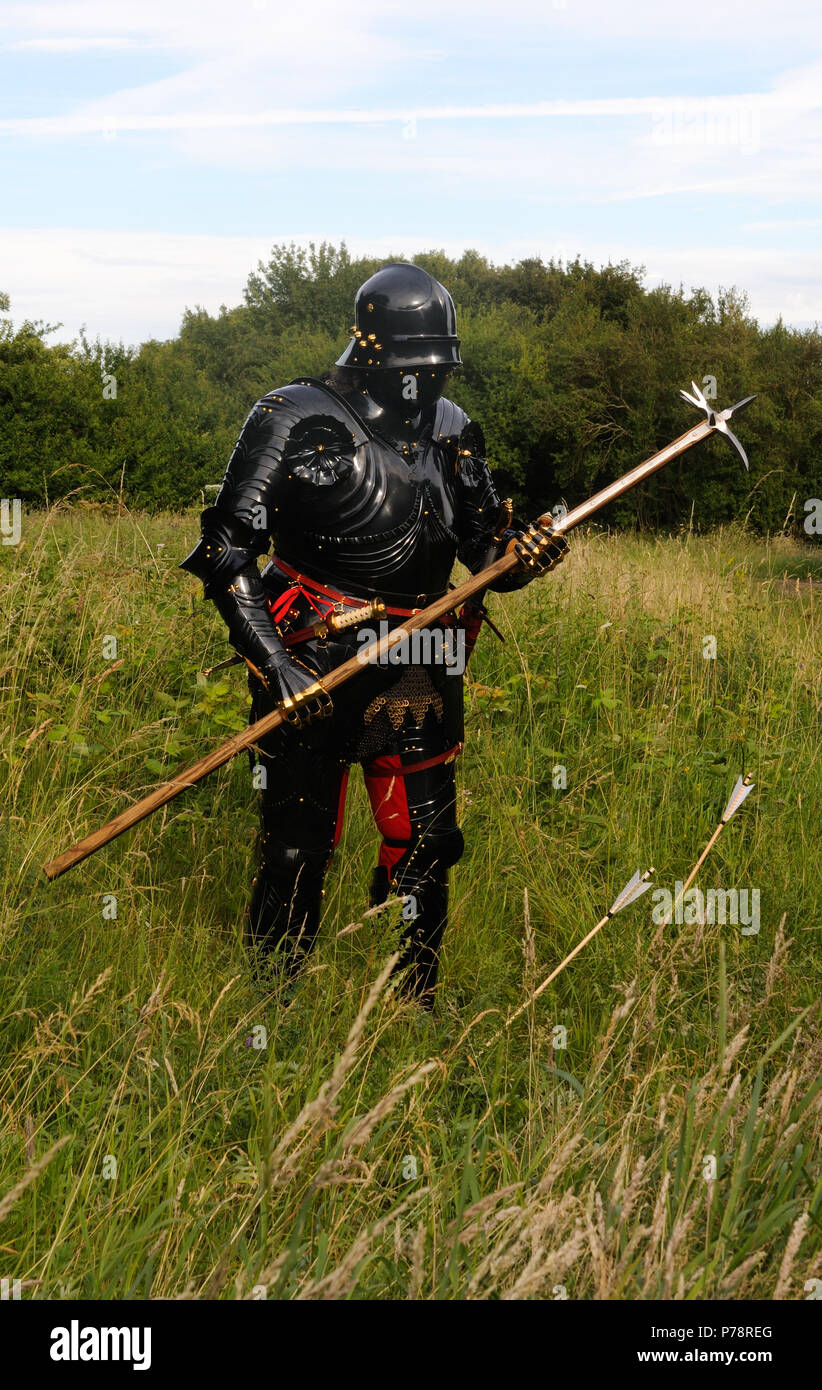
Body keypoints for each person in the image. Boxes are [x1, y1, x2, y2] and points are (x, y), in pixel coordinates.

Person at [181, 262, 567, 1005]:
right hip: (314, 649)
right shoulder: (292, 415)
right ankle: (274, 1002)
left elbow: (487, 553)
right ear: (375, 354)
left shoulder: (453, 428)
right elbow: (227, 550)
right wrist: (272, 663)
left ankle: (410, 998)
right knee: (298, 844)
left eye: (439, 367)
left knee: (427, 839)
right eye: (415, 366)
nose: (428, 383)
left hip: (424, 654)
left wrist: (526, 557)